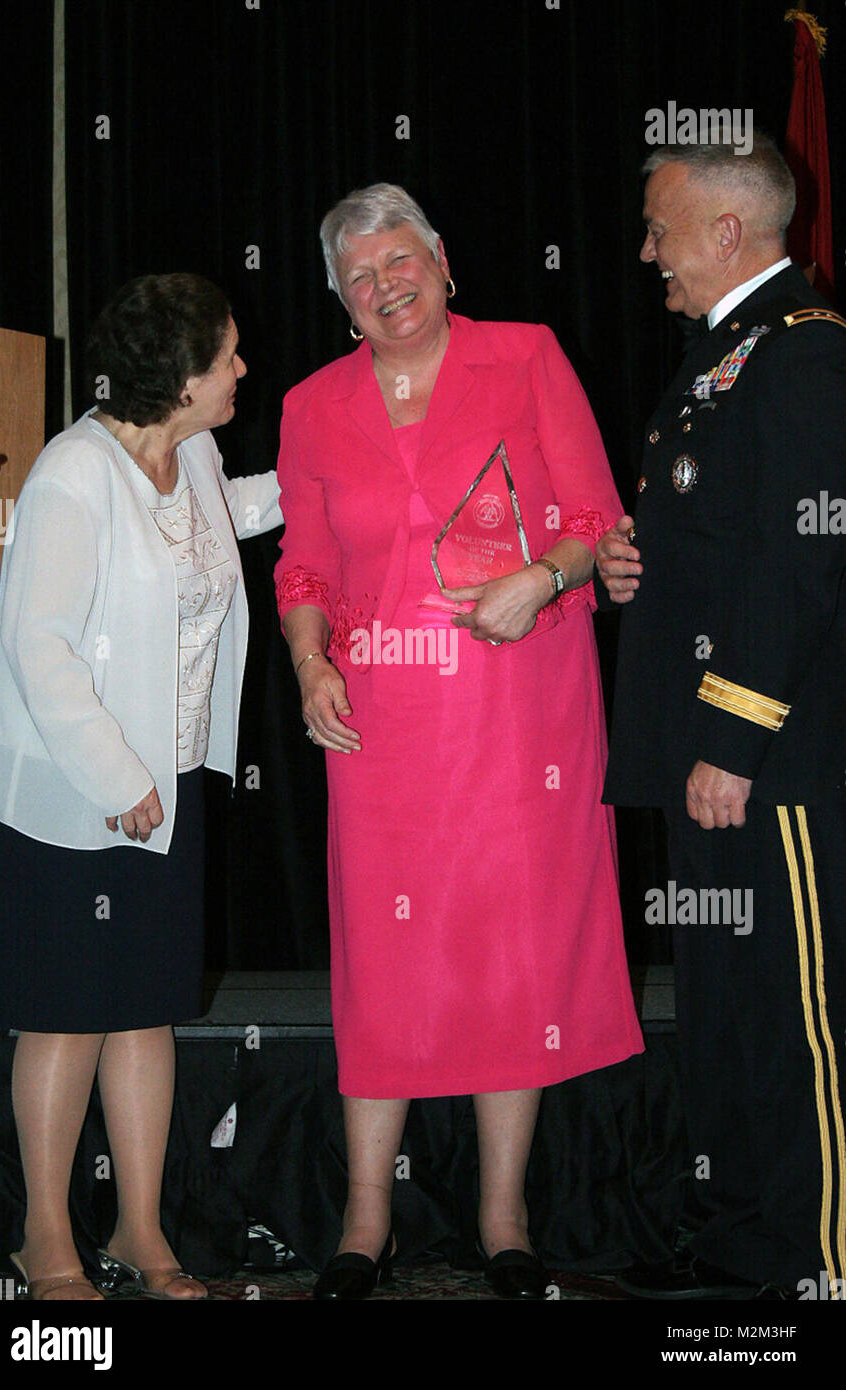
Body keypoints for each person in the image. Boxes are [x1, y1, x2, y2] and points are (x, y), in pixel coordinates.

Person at [275, 183, 644, 1300]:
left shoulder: (526, 357)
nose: (386, 286)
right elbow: (305, 563)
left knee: (510, 951)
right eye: (361, 277)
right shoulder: (311, 402)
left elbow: (594, 519)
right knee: (382, 963)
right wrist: (308, 660)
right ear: (342, 303)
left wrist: (541, 579)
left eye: (401, 261)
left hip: (522, 706)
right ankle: (365, 1220)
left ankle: (503, 1219)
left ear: (442, 260)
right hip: (380, 719)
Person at [0, 273, 282, 1300]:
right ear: (183, 377)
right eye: (228, 356)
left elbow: (212, 523)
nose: (242, 368)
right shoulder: (69, 473)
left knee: (143, 1010)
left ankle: (143, 1233)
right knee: (65, 1014)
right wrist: (115, 772)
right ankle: (45, 1239)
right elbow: (39, 649)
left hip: (168, 783)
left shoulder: (189, 449)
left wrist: (309, 488)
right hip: (72, 794)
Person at [596, 137, 846, 1298]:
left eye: (659, 227)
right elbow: (723, 541)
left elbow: (804, 564)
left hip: (775, 758)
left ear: (726, 233)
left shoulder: (801, 356)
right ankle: (743, 1245)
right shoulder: (723, 357)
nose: (647, 250)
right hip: (708, 749)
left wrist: (735, 741)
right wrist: (637, 564)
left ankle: (818, 1262)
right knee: (728, 1011)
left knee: (798, 1025)